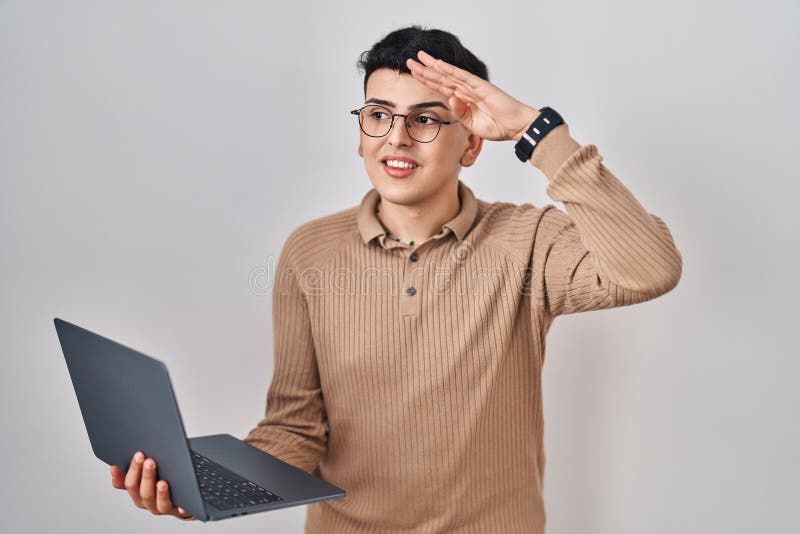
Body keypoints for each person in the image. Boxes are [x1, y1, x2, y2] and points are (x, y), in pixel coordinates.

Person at [109, 25, 682, 532]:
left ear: (473, 143)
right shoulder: (310, 251)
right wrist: (206, 487)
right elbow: (297, 427)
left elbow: (649, 268)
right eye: (379, 115)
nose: (397, 138)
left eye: (427, 119)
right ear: (360, 133)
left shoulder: (528, 242)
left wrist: (538, 131)